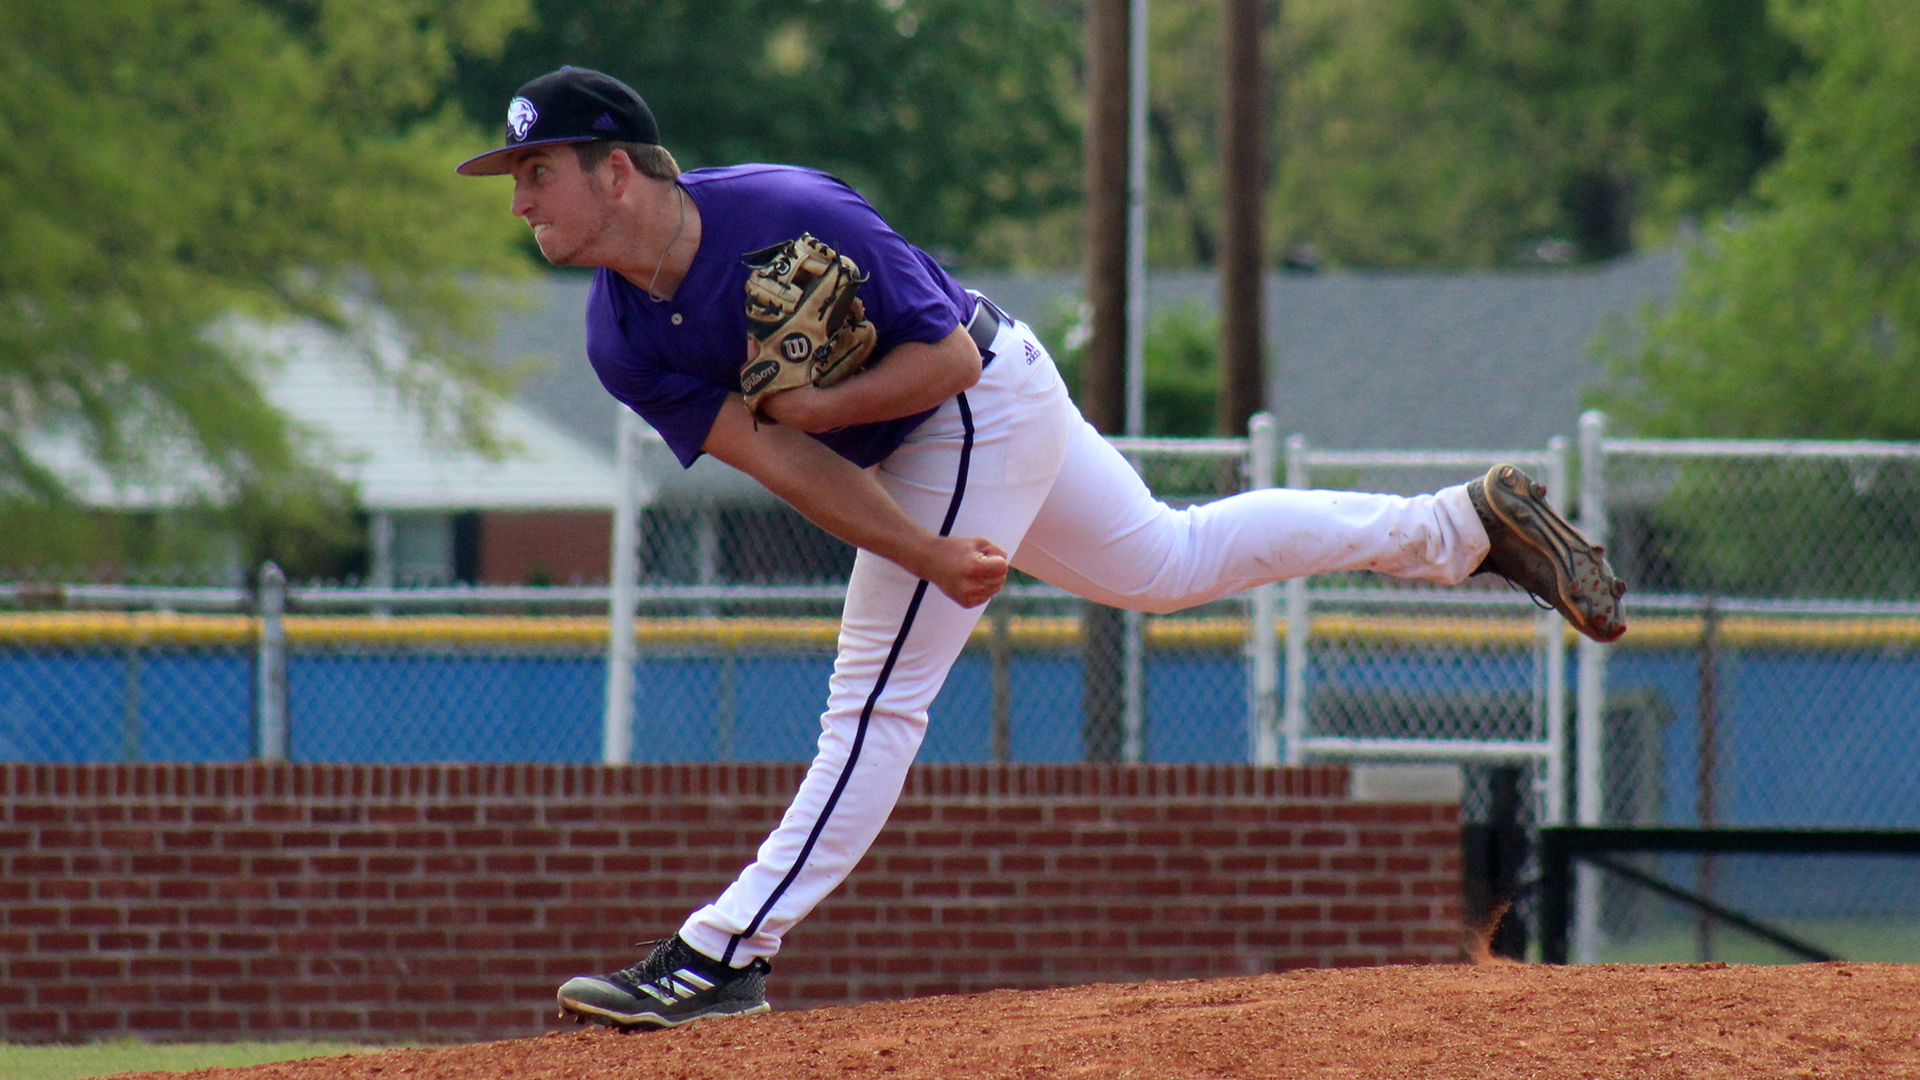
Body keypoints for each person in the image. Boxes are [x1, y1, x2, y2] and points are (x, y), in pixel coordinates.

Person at [457, 66, 1626, 1031]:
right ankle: (1460, 527)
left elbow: (952, 363)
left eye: (537, 171)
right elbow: (782, 466)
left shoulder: (787, 212)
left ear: (617, 170)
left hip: (974, 402)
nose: (520, 200)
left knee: (873, 695)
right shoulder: (618, 335)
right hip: (923, 439)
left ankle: (725, 951)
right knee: (1165, 568)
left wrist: (842, 437)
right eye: (517, 178)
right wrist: (919, 544)